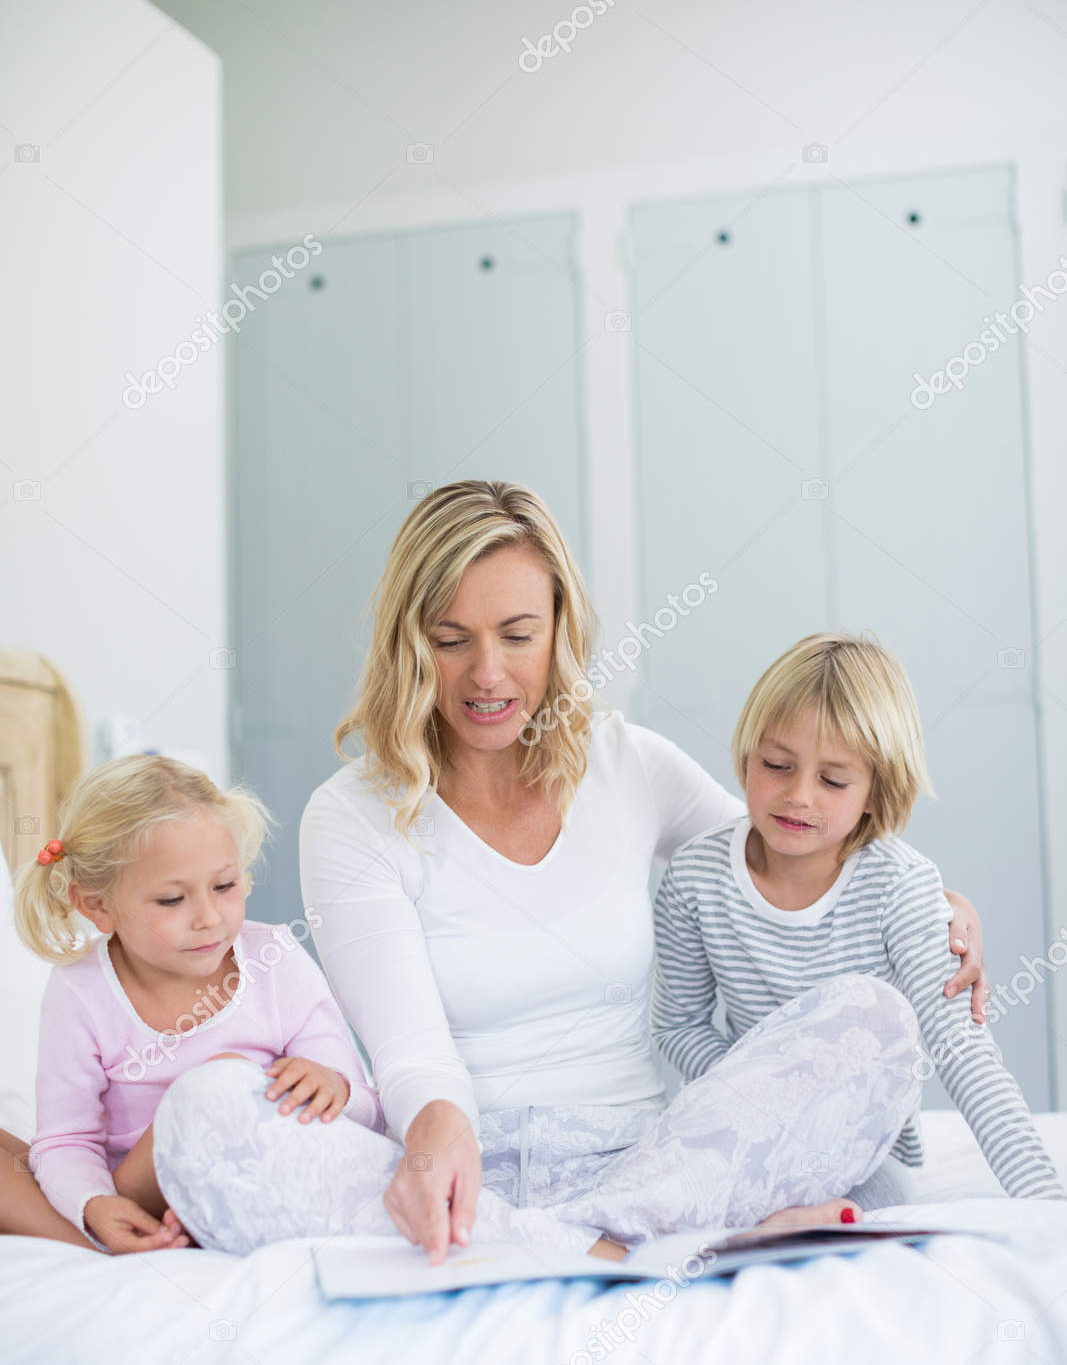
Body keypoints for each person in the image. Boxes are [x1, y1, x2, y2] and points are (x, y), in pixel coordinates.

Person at [143, 482, 988, 1260]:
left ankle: (562, 1236)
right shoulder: (352, 814)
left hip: (650, 1158)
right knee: (203, 1113)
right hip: (460, 1158)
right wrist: (437, 1138)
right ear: (408, 642)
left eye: (518, 635)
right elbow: (410, 1048)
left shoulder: (629, 765)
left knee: (874, 1021)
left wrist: (926, 900)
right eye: (450, 640)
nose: (487, 674)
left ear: (560, 629)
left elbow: (793, 851)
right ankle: (592, 1239)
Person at [548, 633, 1063, 1246]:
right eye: (777, 765)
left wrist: (1047, 1203)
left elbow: (963, 1051)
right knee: (683, 1158)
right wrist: (764, 1096)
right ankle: (611, 1225)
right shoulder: (696, 876)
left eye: (834, 780)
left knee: (872, 1016)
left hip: (862, 1152)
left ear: (877, 791)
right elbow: (677, 1026)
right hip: (742, 1132)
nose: (799, 795)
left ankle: (767, 1214)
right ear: (746, 759)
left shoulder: (901, 887)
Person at [3, 754, 384, 1254]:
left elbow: (368, 1111)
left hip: (260, 1166)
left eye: (224, 886)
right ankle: (100, 1240)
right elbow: (66, 1140)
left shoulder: (274, 959)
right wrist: (94, 1202)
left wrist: (334, 1086)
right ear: (97, 906)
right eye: (171, 900)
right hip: (144, 1191)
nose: (208, 918)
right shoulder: (80, 990)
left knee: (222, 1083)